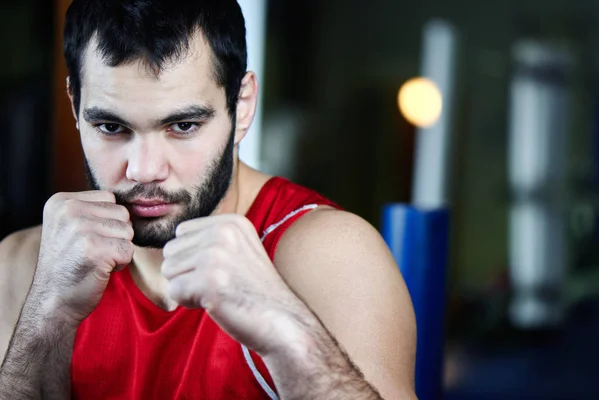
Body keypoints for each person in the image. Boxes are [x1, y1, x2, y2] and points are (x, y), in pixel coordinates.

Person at [0, 0, 416, 398]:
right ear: (75, 106)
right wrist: (45, 317)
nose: (144, 170)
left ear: (243, 104)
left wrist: (287, 334)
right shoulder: (24, 266)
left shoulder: (330, 257)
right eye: (111, 127)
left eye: (183, 125)